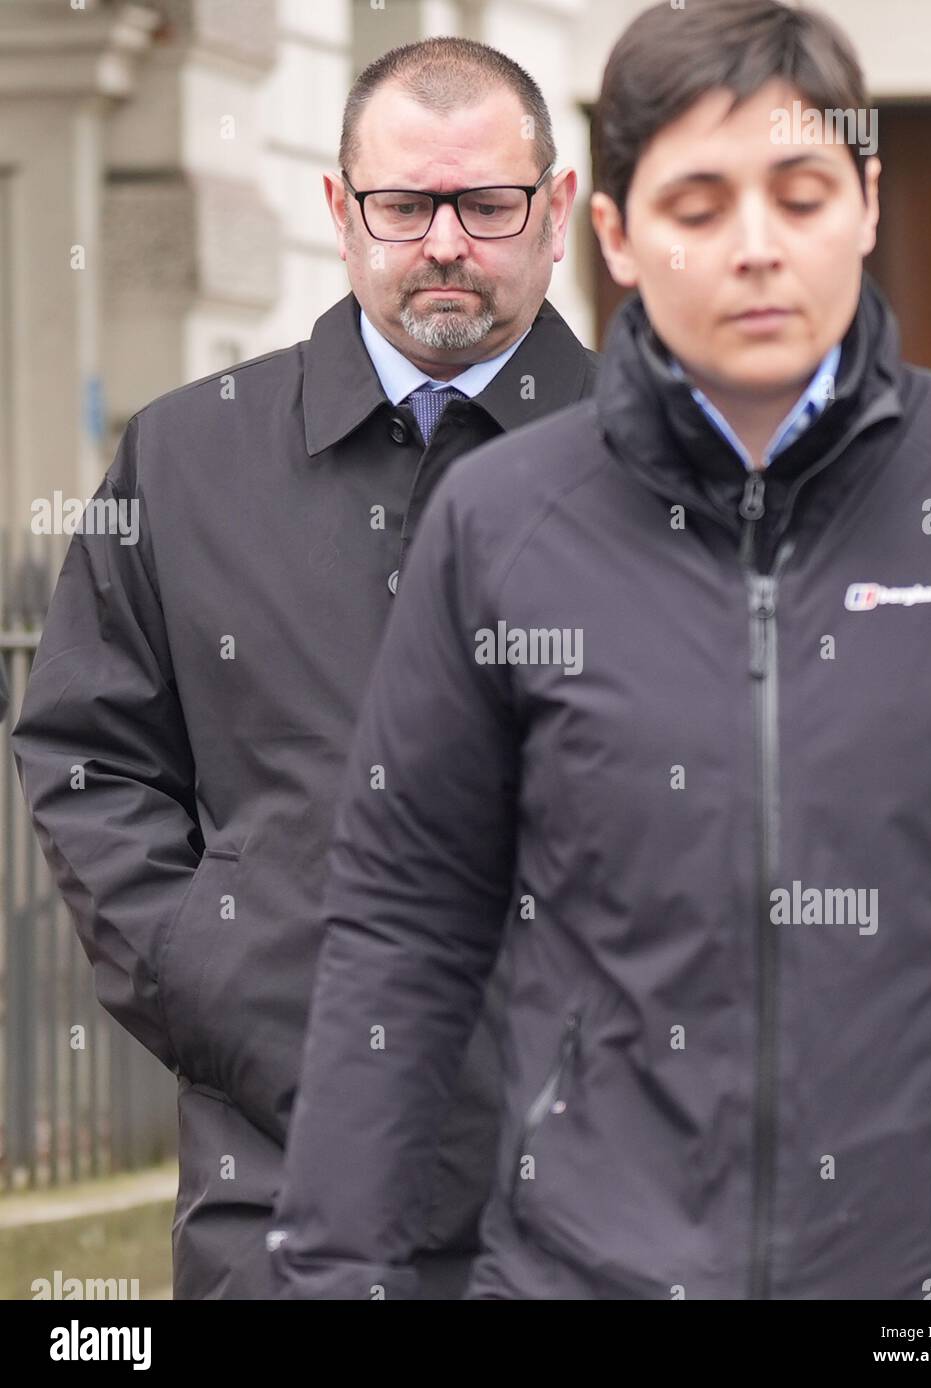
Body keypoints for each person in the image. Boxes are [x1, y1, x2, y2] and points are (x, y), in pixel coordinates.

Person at [271, 0, 931, 1299]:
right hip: (586, 1268)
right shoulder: (503, 521)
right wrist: (333, 1271)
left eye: (799, 194)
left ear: (864, 203)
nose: (755, 248)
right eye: (697, 206)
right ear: (619, 234)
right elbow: (404, 928)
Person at [12, 36, 596, 1300]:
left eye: (486, 206)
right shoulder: (181, 461)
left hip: (604, 1204)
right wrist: (232, 988)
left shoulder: (662, 475)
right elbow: (85, 760)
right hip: (276, 1195)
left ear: (553, 212)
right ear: (340, 212)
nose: (444, 242)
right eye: (404, 205)